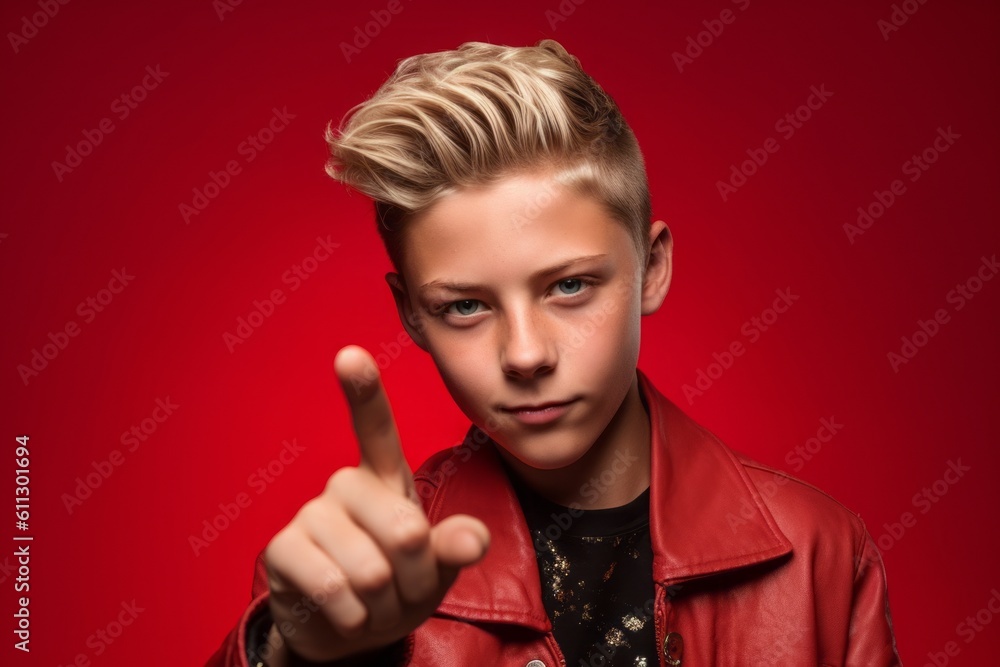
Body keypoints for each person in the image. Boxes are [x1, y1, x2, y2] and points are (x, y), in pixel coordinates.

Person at [207, 39, 901, 666]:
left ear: (651, 268)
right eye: (465, 306)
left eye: (569, 285)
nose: (527, 353)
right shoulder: (344, 571)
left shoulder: (821, 553)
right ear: (412, 315)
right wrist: (301, 659)